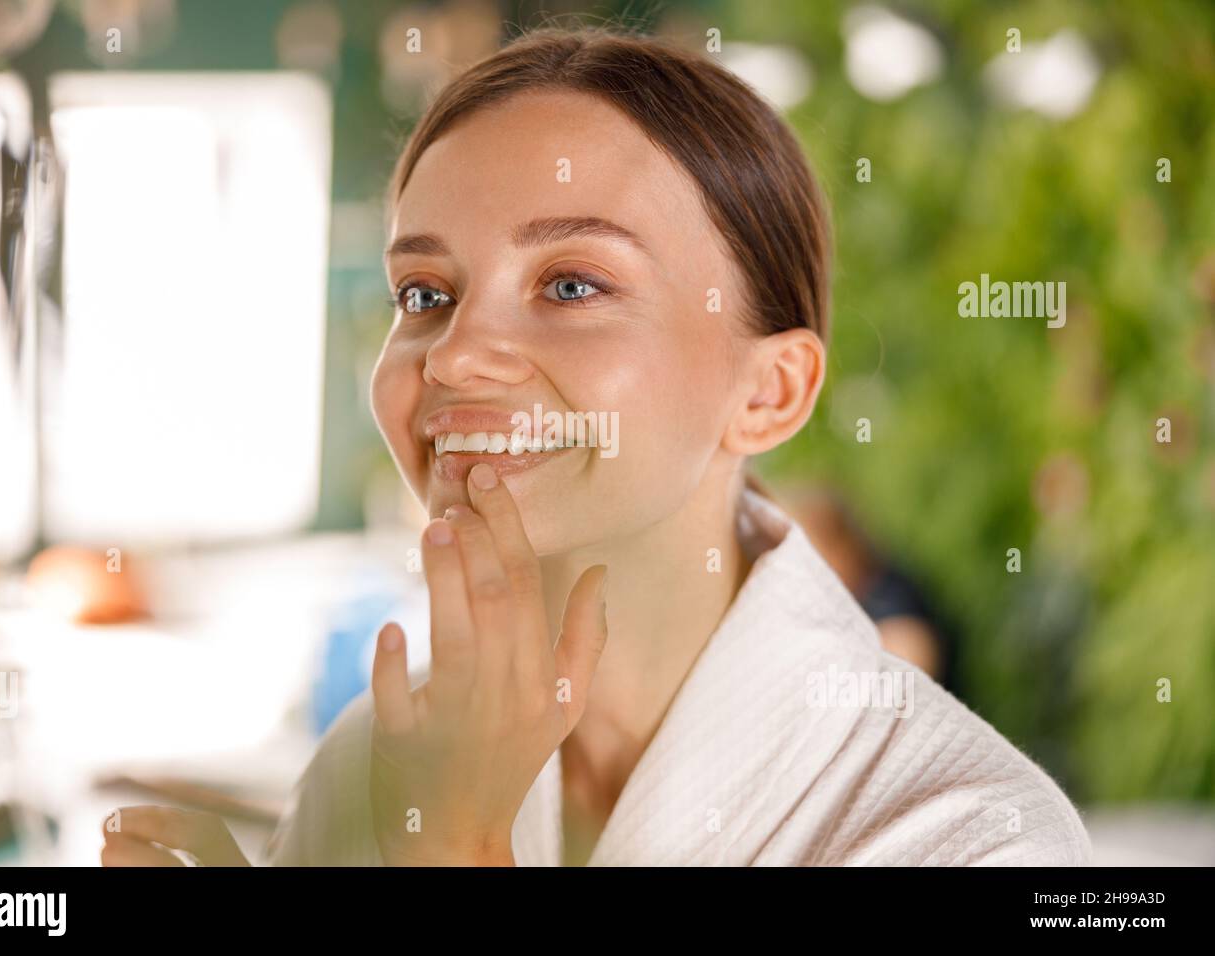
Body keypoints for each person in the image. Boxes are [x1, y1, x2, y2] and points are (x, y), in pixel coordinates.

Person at [101, 25, 1091, 868]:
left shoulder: (966, 836)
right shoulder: (370, 766)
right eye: (425, 295)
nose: (454, 357)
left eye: (572, 285)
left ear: (766, 392)